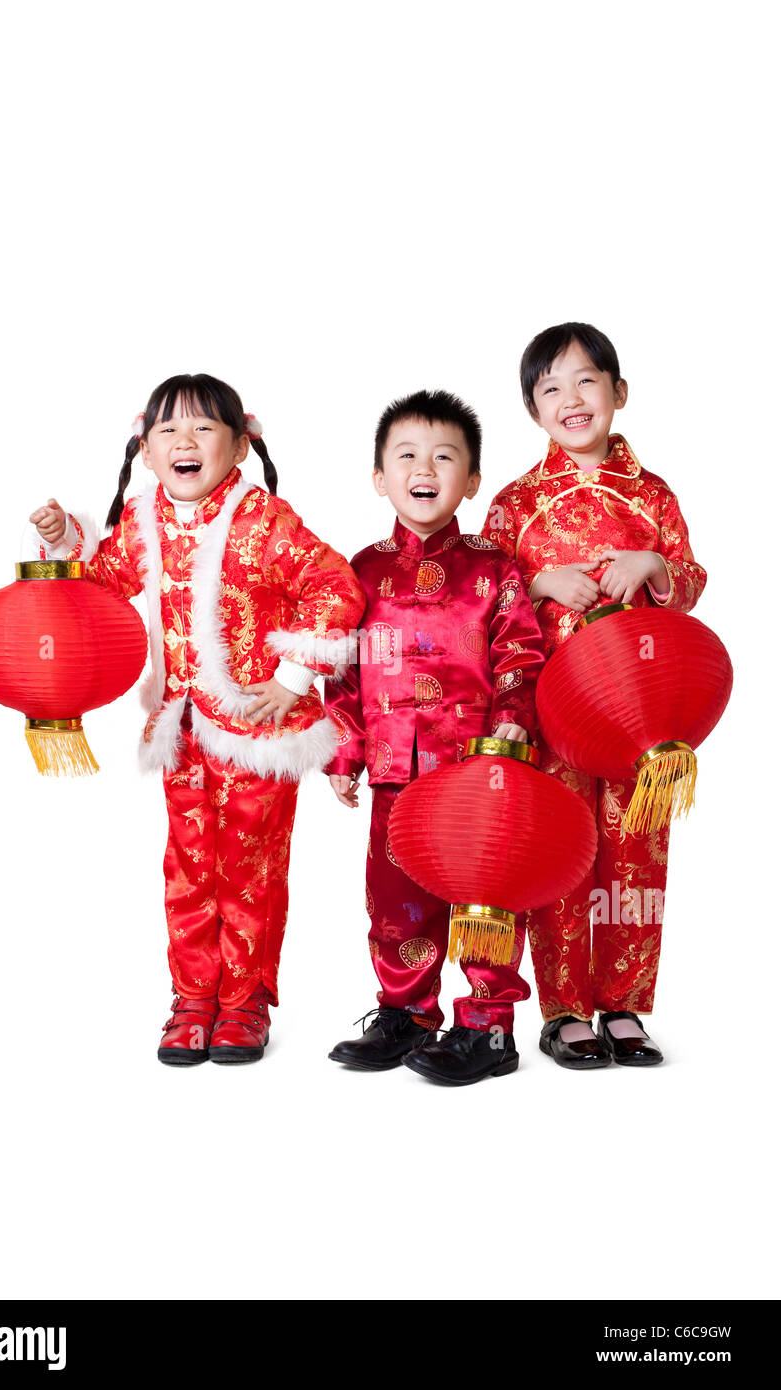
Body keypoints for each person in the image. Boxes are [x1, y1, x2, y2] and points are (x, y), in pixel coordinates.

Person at [30, 374, 365, 1067]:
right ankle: (192, 998)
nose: (185, 442)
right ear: (145, 449)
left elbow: (336, 587)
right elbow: (99, 589)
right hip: (180, 727)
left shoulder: (264, 521)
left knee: (249, 869)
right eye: (168, 431)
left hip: (256, 733)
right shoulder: (140, 521)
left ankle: (242, 1003)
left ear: (240, 443)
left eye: (204, 428)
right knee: (187, 869)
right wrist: (66, 542)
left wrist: (291, 676)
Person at [484, 323, 706, 1069]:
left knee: (635, 853)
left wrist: (653, 565)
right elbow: (485, 590)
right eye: (551, 388)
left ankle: (625, 1003)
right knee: (567, 850)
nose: (571, 399)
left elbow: (691, 583)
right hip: (557, 711)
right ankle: (563, 1009)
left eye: (586, 381)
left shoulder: (652, 497)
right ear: (532, 409)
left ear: (619, 393)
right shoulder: (518, 502)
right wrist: (540, 581)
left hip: (641, 712)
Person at [325, 389, 545, 1086]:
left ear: (472, 480)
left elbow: (522, 656)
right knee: (395, 899)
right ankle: (406, 1012)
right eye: (408, 455)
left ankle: (488, 1027)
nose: (426, 468)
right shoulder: (359, 571)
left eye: (445, 456)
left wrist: (514, 716)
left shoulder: (495, 569)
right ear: (379, 477)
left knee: (484, 897)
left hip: (476, 772)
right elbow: (341, 669)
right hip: (394, 766)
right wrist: (344, 750)